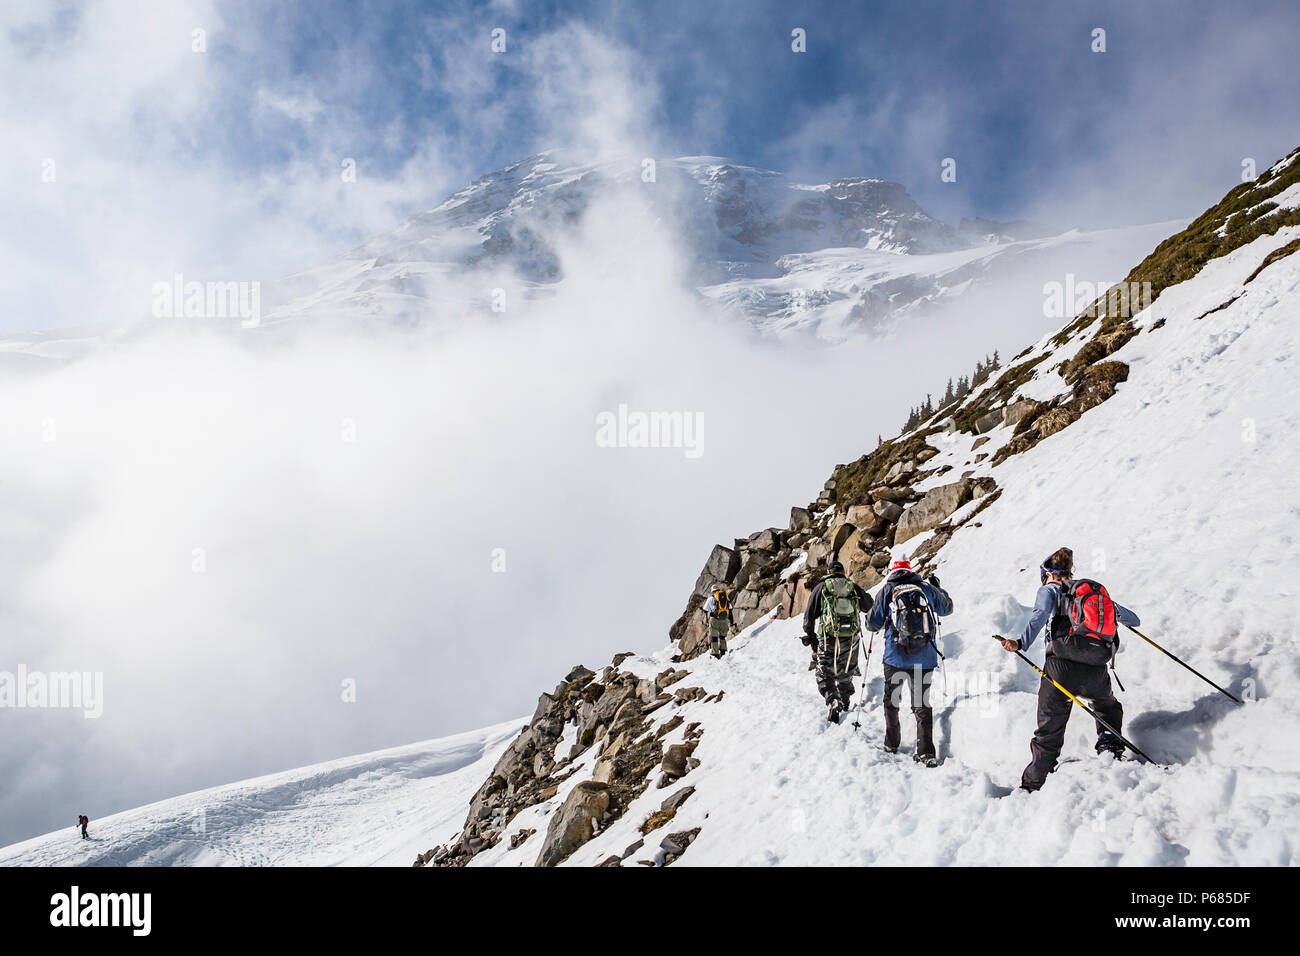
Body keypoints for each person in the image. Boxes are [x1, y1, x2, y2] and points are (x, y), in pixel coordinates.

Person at [997, 547, 1140, 791]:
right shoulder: (1090, 593)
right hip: (1096, 667)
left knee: (1050, 727)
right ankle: (1110, 751)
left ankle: (1033, 786)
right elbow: (1133, 619)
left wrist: (1020, 643)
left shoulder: (1050, 589)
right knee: (1107, 708)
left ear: (1048, 575)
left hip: (1061, 666)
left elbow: (1039, 615)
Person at [866, 558, 953, 766]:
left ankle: (891, 743)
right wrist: (938, 587)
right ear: (910, 570)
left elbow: (872, 623)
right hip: (924, 658)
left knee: (892, 699)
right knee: (922, 703)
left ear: (893, 572)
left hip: (895, 657)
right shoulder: (925, 588)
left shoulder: (887, 590)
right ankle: (926, 752)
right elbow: (947, 608)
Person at [802, 561, 874, 723]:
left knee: (824, 673)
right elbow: (869, 605)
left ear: (828, 571)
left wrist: (812, 638)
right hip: (851, 637)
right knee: (845, 670)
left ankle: (833, 700)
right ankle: (845, 703)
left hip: (828, 638)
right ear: (843, 572)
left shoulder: (821, 587)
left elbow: (808, 618)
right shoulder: (851, 586)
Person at [701, 585, 735, 659]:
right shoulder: (725, 597)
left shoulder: (710, 598)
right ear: (718, 590)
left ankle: (715, 653)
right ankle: (723, 650)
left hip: (714, 619)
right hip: (724, 619)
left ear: (712, 591)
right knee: (722, 636)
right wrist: (731, 621)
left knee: (714, 636)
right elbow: (730, 609)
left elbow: (705, 610)